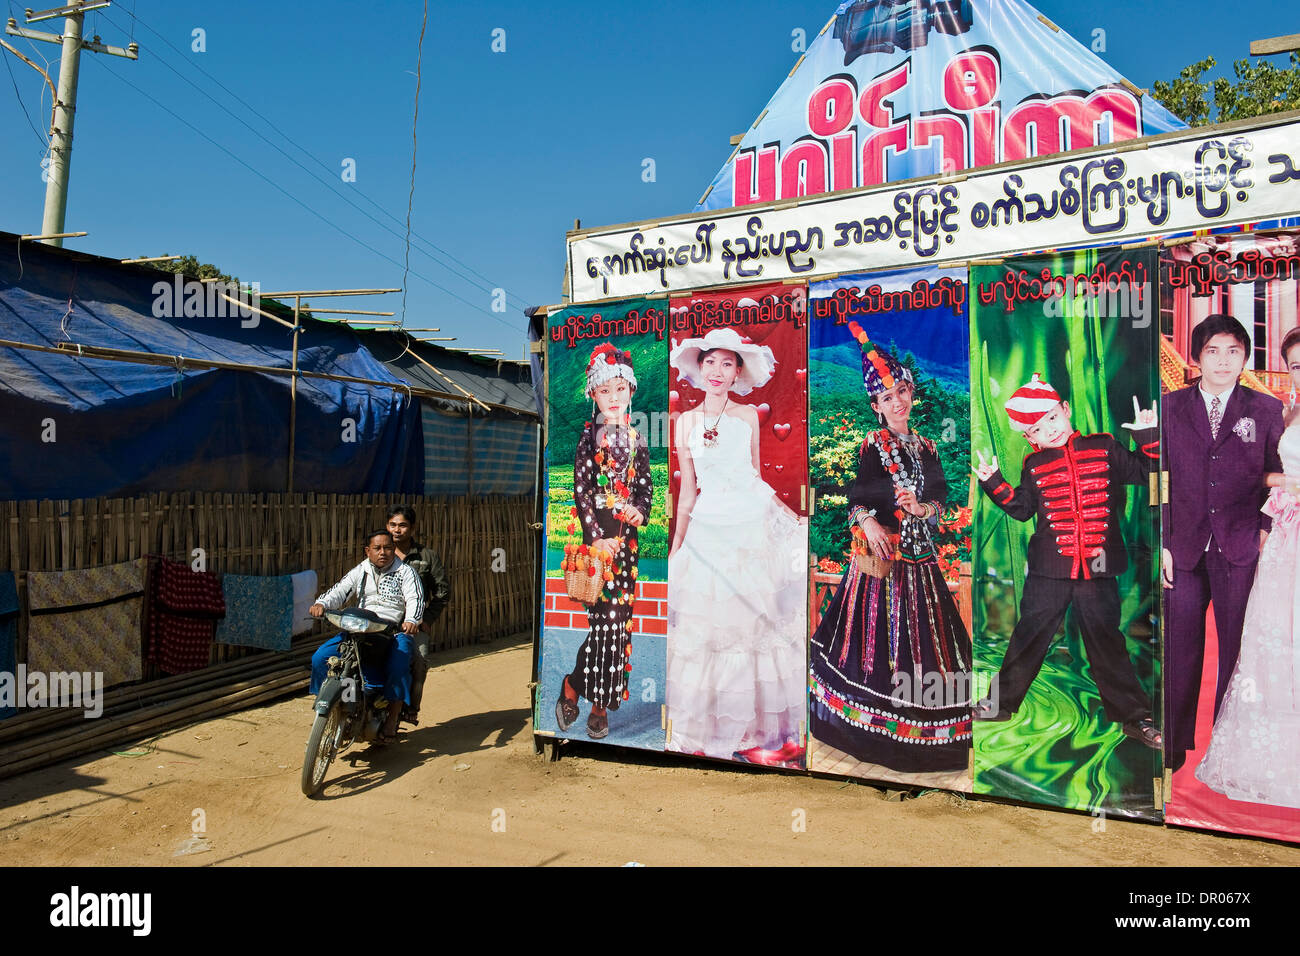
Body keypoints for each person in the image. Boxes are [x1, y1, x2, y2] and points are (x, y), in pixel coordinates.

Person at [809, 322, 972, 773]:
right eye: (886, 397)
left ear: (910, 393)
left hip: (922, 564)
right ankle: (865, 734)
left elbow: (941, 501)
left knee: (929, 648)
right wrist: (870, 523)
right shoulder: (873, 445)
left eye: (901, 391)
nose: (896, 401)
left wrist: (922, 509)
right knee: (873, 648)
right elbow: (857, 497)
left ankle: (931, 738)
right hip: (881, 566)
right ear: (876, 407)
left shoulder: (929, 446)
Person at [973, 374, 1162, 748]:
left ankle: (1135, 718)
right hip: (1049, 570)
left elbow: (1146, 471)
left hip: (1098, 568)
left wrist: (1147, 435)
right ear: (1031, 439)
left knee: (1106, 641)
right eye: (1039, 429)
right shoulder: (1033, 465)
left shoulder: (1104, 446)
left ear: (1066, 410)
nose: (1051, 430)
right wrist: (993, 481)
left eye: (1053, 419)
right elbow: (1024, 509)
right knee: (1029, 635)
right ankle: (1000, 704)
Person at [665, 327, 806, 767]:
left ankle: (759, 731)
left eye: (727, 363)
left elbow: (754, 474)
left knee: (756, 626)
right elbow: (688, 490)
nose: (717, 371)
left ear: (738, 372)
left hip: (749, 522)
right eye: (710, 361)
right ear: (698, 367)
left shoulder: (746, 416)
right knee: (708, 631)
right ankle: (706, 731)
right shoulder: (683, 422)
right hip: (708, 526)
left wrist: (782, 517)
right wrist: (677, 544)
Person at [1163, 314, 1284, 771]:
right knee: (1180, 647)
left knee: (1237, 649)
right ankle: (1172, 747)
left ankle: (1226, 749)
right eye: (1212, 350)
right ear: (1196, 357)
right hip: (1183, 549)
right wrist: (1163, 543)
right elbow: (1159, 480)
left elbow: (1277, 476)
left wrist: (1265, 531)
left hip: (1240, 548)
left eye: (1233, 351)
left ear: (1244, 358)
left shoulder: (1265, 409)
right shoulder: (1171, 406)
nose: (1223, 360)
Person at [1195, 326, 1300, 807]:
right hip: (1285, 539)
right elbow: (1258, 470)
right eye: (1295, 364)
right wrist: (1277, 482)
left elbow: (1269, 473)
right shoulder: (1285, 411)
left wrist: (1277, 479)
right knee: (1274, 638)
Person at [555, 342, 652, 740]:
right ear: (593, 395)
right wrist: (597, 538)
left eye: (620, 390)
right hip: (598, 551)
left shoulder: (638, 439)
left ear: (631, 392)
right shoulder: (587, 437)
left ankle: (591, 698)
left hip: (626, 551)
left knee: (619, 629)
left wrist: (639, 512)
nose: (613, 398)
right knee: (603, 627)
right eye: (604, 391)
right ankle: (579, 689)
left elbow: (645, 490)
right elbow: (582, 495)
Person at [308, 529, 424, 743]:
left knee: (399, 666)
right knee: (320, 657)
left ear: (394, 549)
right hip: (358, 629)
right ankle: (324, 708)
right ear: (367, 551)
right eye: (377, 548)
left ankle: (392, 718)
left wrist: (412, 620)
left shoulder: (406, 572)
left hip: (393, 631)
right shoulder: (360, 570)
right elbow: (339, 591)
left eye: (388, 548)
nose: (383, 552)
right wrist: (322, 604)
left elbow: (415, 598)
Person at [385, 505, 451, 724]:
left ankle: (411, 707)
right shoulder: (381, 552)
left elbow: (442, 593)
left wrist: (427, 620)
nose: (397, 530)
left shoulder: (427, 557)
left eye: (402, 525)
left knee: (419, 661)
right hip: (383, 621)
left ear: (412, 528)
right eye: (392, 525)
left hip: (414, 625)